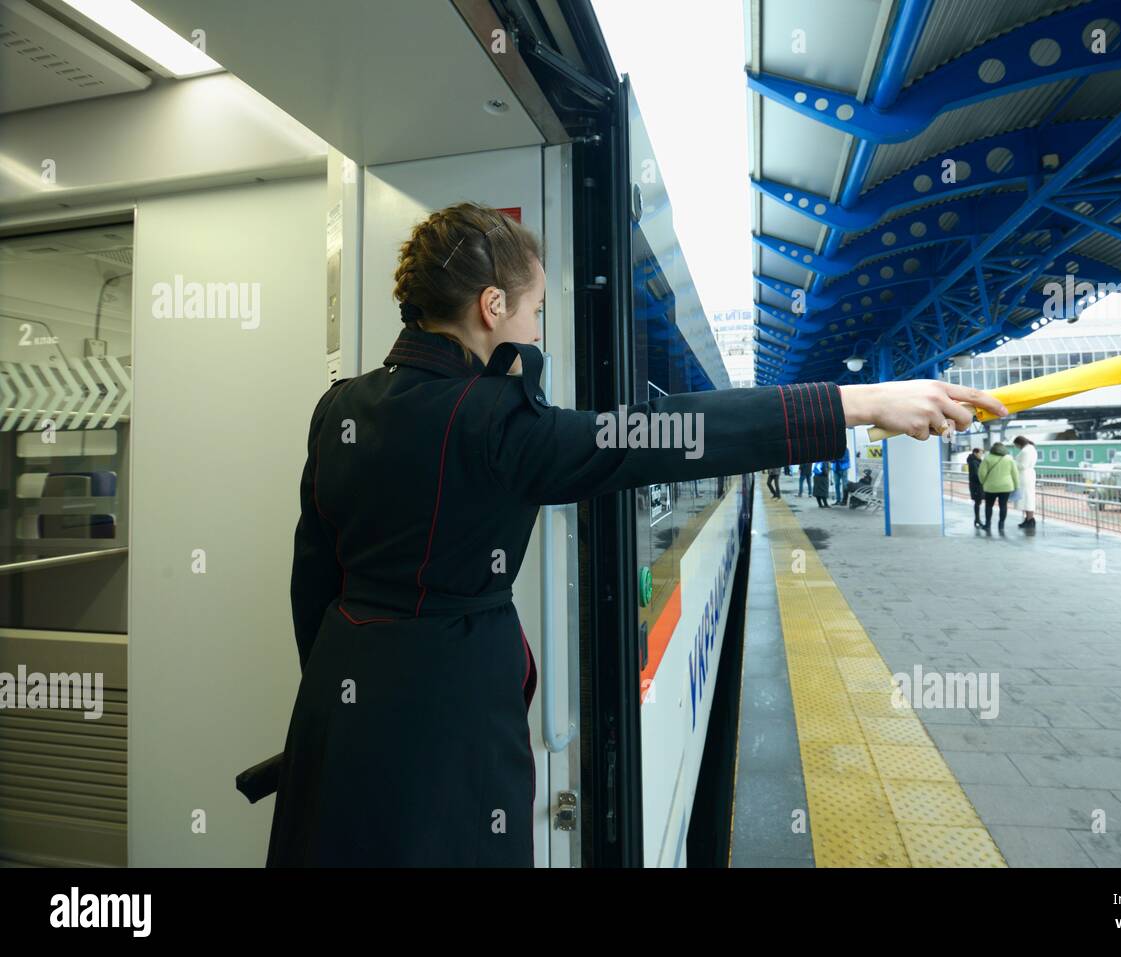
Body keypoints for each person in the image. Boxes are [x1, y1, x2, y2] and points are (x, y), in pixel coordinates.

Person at [266, 201, 1006, 866]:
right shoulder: (493, 423)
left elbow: (312, 582)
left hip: (336, 710)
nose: (536, 329)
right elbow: (673, 430)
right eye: (535, 311)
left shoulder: (339, 409)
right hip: (447, 726)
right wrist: (861, 401)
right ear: (492, 307)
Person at [977, 441, 1019, 533]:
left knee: (989, 506)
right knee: (1003, 506)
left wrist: (984, 482)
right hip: (1006, 487)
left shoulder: (987, 458)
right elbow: (1015, 474)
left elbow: (981, 473)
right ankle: (1001, 525)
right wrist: (1016, 486)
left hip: (990, 487)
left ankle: (988, 525)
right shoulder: (1009, 459)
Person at [1013, 435, 1038, 529]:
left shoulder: (1025, 451)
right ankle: (1028, 519)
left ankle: (1029, 520)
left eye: (1016, 445)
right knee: (1028, 498)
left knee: (1027, 498)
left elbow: (1023, 466)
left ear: (1019, 443)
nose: (1016, 447)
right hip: (1029, 476)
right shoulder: (1031, 449)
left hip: (1025, 476)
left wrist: (1012, 462)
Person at [966, 446, 986, 529]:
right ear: (975, 453)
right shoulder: (974, 462)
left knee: (978, 502)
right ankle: (977, 520)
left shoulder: (975, 461)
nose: (981, 455)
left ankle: (977, 520)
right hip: (976, 485)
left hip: (976, 485)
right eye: (980, 453)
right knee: (977, 503)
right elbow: (976, 475)